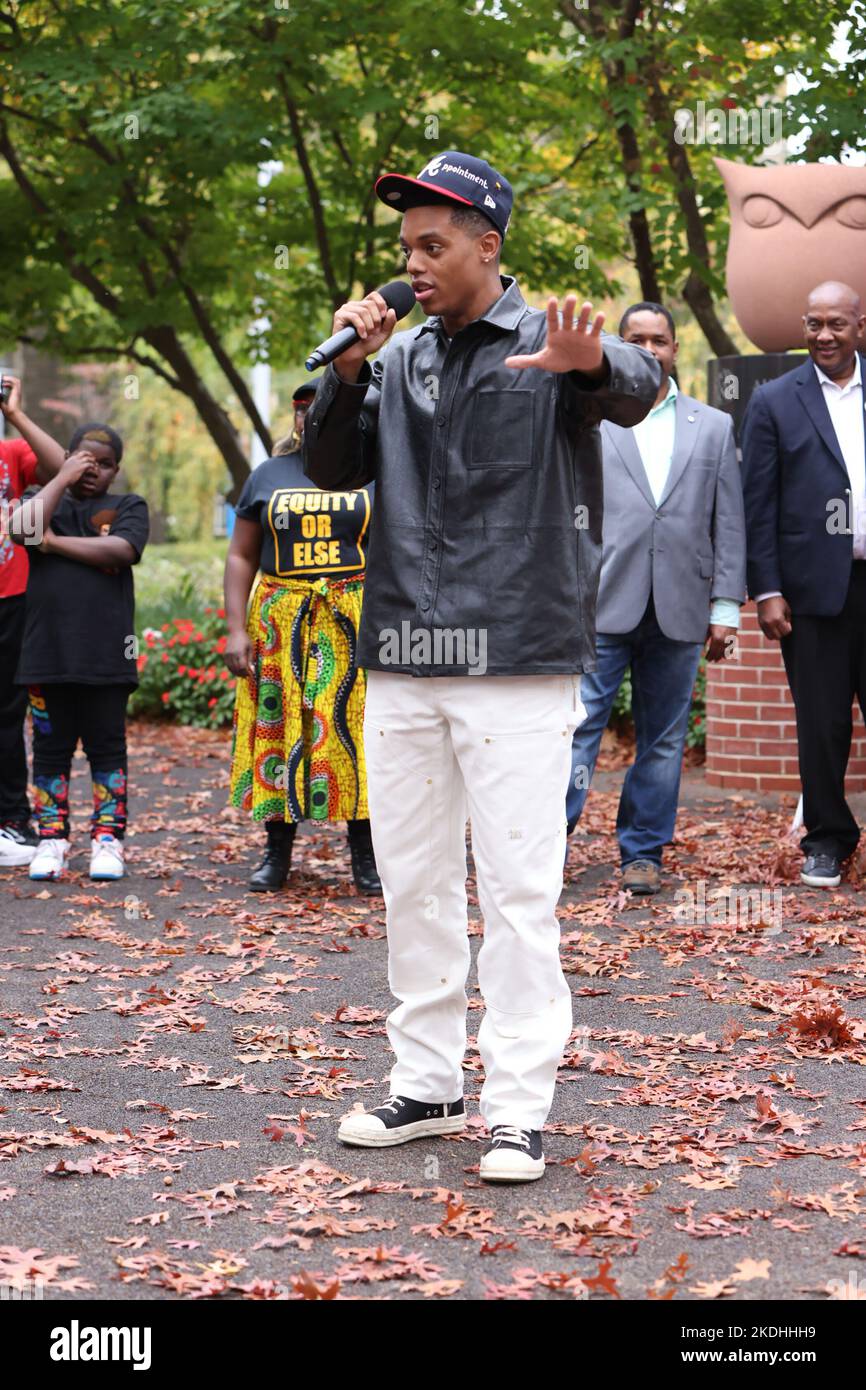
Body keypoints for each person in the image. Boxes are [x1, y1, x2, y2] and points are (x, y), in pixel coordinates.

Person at [303, 150, 659, 1182]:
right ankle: (424, 1084)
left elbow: (634, 386)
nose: (411, 264)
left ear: (486, 245)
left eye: (432, 244)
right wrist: (347, 371)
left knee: (515, 892)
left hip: (515, 655)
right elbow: (332, 466)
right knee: (412, 883)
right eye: (405, 246)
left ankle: (514, 1106)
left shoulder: (548, 341)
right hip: (405, 655)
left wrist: (591, 364)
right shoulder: (400, 357)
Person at [565, 303, 746, 893]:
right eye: (635, 338)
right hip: (597, 602)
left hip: (681, 605)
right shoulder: (591, 417)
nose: (649, 348)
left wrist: (725, 607)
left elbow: (729, 523)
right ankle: (548, 841)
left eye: (659, 340)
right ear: (619, 344)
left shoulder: (713, 426)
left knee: (664, 736)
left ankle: (642, 852)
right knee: (578, 726)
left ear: (674, 346)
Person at [224, 381, 382, 896]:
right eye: (302, 408)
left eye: (322, 407)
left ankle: (366, 853)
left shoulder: (375, 470)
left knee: (356, 730)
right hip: (281, 616)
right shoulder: (268, 475)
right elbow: (241, 555)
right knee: (282, 725)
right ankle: (277, 850)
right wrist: (234, 629)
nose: (308, 416)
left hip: (354, 615)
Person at [742, 281, 866, 889]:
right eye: (813, 323)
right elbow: (757, 502)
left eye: (836, 324)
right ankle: (827, 839)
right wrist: (766, 588)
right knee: (821, 724)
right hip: (813, 592)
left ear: (859, 326)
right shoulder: (774, 401)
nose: (823, 335)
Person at [8, 423, 149, 881]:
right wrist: (61, 478)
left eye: (104, 464)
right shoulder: (44, 501)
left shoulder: (127, 506)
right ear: (67, 458)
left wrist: (53, 545)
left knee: (107, 751)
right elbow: (21, 531)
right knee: (50, 752)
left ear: (116, 471)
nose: (94, 471)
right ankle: (52, 839)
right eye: (85, 461)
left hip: (106, 659)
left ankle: (108, 839)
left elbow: (122, 550)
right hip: (45, 658)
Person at [0, 374, 65, 867]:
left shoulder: (10, 452)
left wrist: (16, 413)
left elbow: (62, 466)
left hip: (11, 596)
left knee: (7, 712)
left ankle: (12, 820)